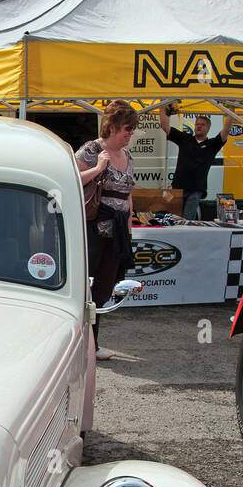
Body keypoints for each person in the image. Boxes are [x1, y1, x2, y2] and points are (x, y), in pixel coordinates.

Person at [75, 99, 138, 361]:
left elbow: (128, 195)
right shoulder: (92, 149)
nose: (130, 133)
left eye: (132, 129)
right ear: (111, 126)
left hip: (117, 232)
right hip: (92, 228)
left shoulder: (128, 156)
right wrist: (98, 168)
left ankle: (94, 344)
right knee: (86, 287)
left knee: (104, 288)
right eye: (127, 128)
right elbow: (72, 180)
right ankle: (82, 346)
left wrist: (129, 225)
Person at [159, 103, 235, 220]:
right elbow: (165, 126)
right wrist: (162, 105)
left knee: (187, 220)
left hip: (196, 189)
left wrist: (231, 107)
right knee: (173, 219)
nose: (199, 126)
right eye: (197, 124)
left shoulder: (212, 144)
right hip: (178, 187)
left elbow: (226, 129)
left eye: (203, 125)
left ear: (208, 128)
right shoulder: (185, 139)